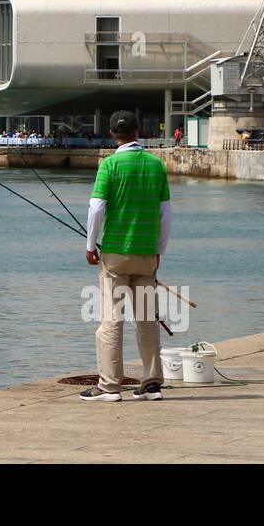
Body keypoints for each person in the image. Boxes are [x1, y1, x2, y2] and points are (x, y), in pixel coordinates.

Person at [79, 110, 172, 402]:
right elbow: (165, 213)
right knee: (147, 320)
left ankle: (109, 386)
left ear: (111, 134)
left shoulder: (109, 165)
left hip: (116, 255)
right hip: (146, 254)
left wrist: (90, 245)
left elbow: (96, 209)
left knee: (111, 320)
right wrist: (159, 250)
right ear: (138, 131)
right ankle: (152, 384)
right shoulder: (156, 166)